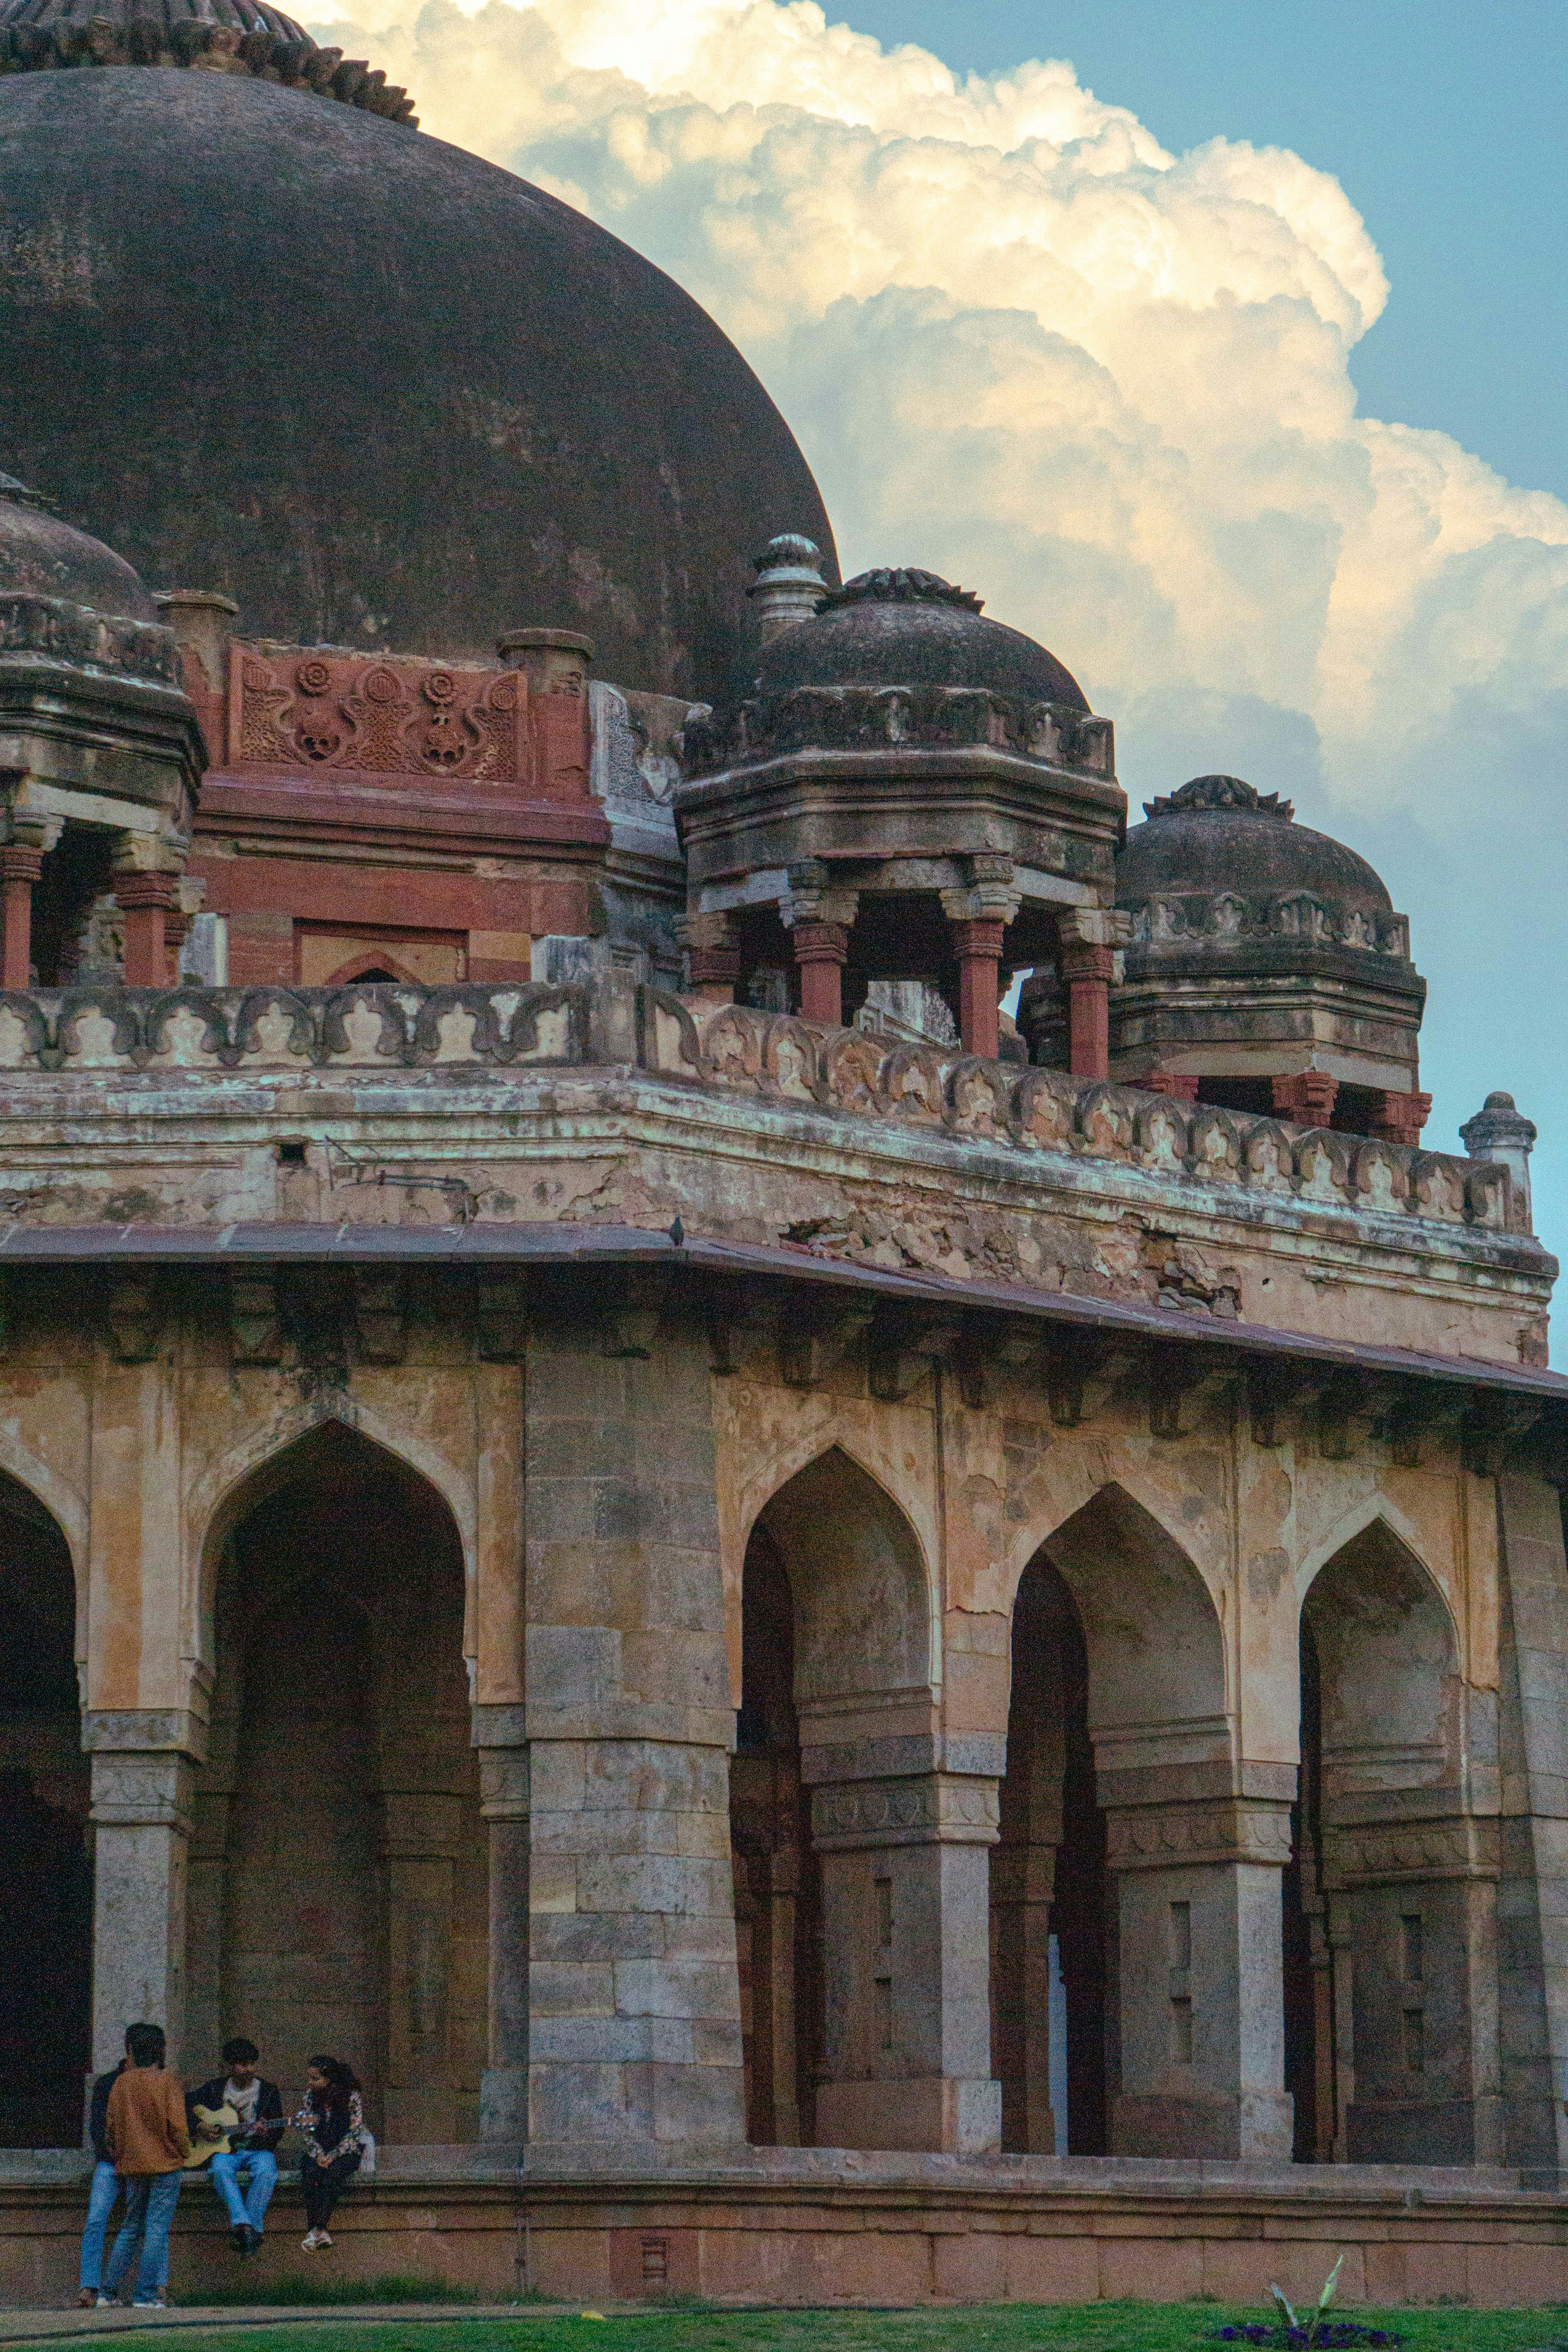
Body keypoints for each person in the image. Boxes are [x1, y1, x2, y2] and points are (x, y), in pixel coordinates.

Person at [100, 2023, 190, 2309]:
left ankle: (108, 2293)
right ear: (161, 2050)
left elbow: (110, 2129)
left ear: (131, 2050)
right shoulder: (167, 2082)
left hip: (132, 2164)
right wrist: (183, 2153)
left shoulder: (121, 2083)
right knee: (156, 2230)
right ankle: (146, 2295)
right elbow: (177, 2126)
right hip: (164, 2164)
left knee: (130, 2227)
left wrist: (120, 2155)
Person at [185, 2036, 285, 2254]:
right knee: (219, 2170)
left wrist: (266, 2133)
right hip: (225, 2151)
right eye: (242, 2065)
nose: (249, 2069)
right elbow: (183, 2105)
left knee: (267, 2172)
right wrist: (199, 2125)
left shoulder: (268, 2091)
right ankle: (245, 2226)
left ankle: (247, 2229)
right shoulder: (214, 2089)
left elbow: (279, 2127)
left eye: (252, 2064)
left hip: (258, 2149)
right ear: (230, 2067)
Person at [292, 2056, 365, 2252]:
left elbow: (355, 2132)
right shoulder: (310, 2096)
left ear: (329, 2079)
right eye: (309, 2078)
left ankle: (317, 2230)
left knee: (333, 2175)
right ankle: (317, 2231)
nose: (310, 2082)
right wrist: (318, 2155)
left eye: (315, 2079)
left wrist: (332, 2156)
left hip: (344, 2151)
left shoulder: (351, 2096)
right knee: (310, 2173)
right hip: (319, 2150)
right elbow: (306, 2131)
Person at [77, 2038, 129, 2308]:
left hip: (140, 2164)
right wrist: (115, 2159)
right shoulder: (107, 2084)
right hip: (111, 2163)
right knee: (96, 2220)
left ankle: (154, 2287)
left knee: (150, 2225)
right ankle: (89, 2285)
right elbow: (98, 2131)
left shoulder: (156, 2082)